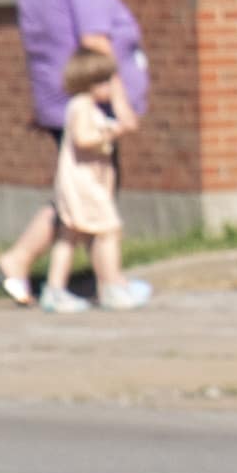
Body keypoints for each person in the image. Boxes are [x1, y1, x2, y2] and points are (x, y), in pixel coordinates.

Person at [0, 0, 149, 307]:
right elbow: (96, 44)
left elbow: (44, 47)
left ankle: (88, 280)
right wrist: (120, 102)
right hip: (89, 106)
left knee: (78, 190)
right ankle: (29, 262)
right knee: (88, 195)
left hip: (54, 100)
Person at [36, 37, 147, 313]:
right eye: (105, 82)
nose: (110, 87)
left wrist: (120, 102)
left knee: (70, 235)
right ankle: (111, 286)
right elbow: (84, 139)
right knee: (108, 230)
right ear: (88, 82)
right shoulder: (81, 106)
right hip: (83, 183)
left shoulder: (89, 106)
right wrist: (109, 132)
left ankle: (56, 288)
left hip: (85, 181)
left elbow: (130, 123)